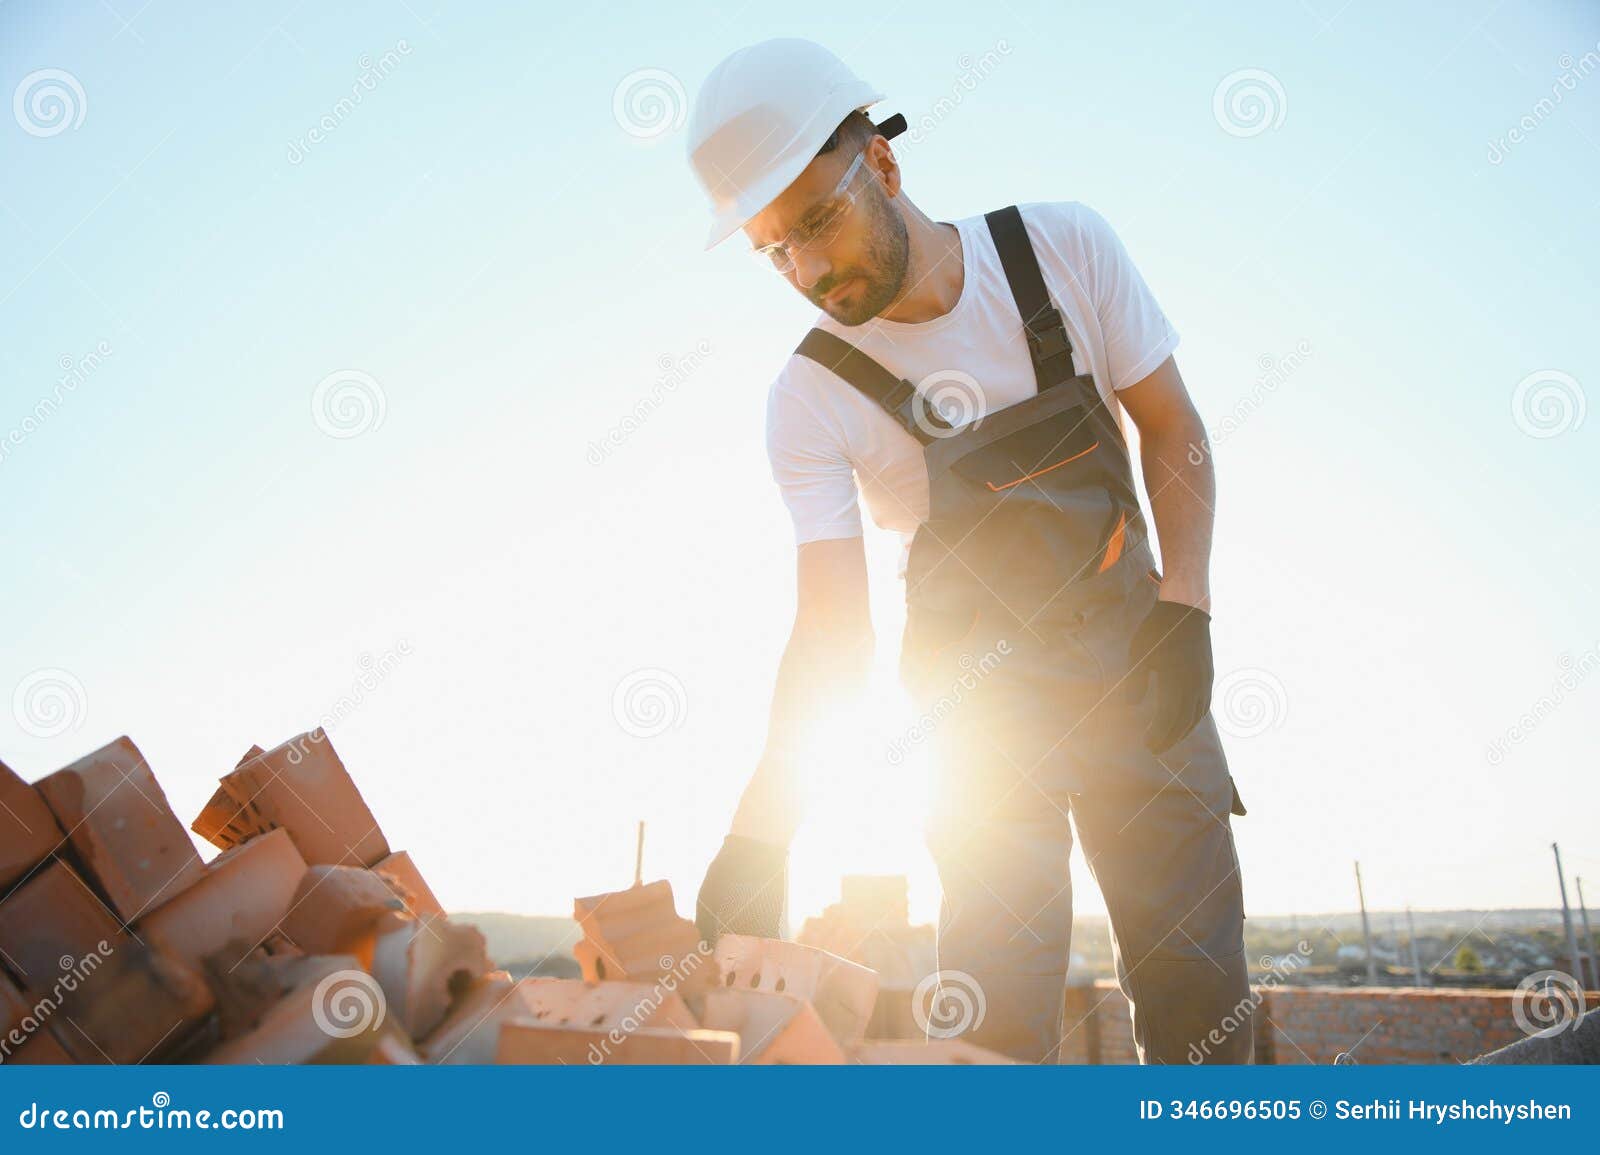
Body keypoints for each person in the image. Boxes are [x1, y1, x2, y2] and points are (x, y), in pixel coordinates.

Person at [684, 38, 1252, 1063]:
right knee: (994, 1020)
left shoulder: (1059, 249)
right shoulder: (809, 398)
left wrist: (1188, 605)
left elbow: (1174, 429)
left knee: (1197, 997)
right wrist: (762, 827)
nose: (809, 272)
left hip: (1142, 671)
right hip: (980, 726)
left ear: (885, 168)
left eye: (818, 220)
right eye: (775, 251)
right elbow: (830, 633)